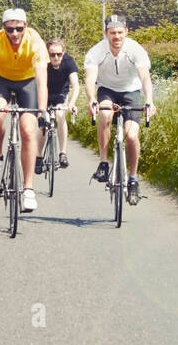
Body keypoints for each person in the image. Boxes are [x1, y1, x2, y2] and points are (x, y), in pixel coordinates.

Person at [0, 8, 49, 213]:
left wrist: (42, 112)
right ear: (4, 28)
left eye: (19, 28)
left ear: (26, 27)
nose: (15, 33)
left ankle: (28, 190)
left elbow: (42, 81)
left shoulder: (36, 42)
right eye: (10, 29)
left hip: (28, 82)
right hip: (3, 81)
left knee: (28, 129)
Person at [83, 15, 155, 204]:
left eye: (120, 32)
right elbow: (90, 78)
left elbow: (145, 77)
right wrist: (91, 100)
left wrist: (149, 100)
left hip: (131, 91)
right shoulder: (97, 51)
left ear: (126, 33)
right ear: (106, 33)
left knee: (131, 136)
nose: (116, 36)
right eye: (113, 33)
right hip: (107, 91)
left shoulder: (135, 49)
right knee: (105, 114)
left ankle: (133, 178)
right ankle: (104, 163)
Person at [35, 38, 79, 173]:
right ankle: (38, 156)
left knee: (60, 115)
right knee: (45, 122)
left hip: (61, 95)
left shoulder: (69, 61)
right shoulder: (43, 63)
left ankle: (63, 154)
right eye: (52, 55)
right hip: (44, 95)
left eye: (58, 54)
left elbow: (76, 85)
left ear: (63, 53)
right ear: (47, 54)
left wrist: (71, 104)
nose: (55, 58)